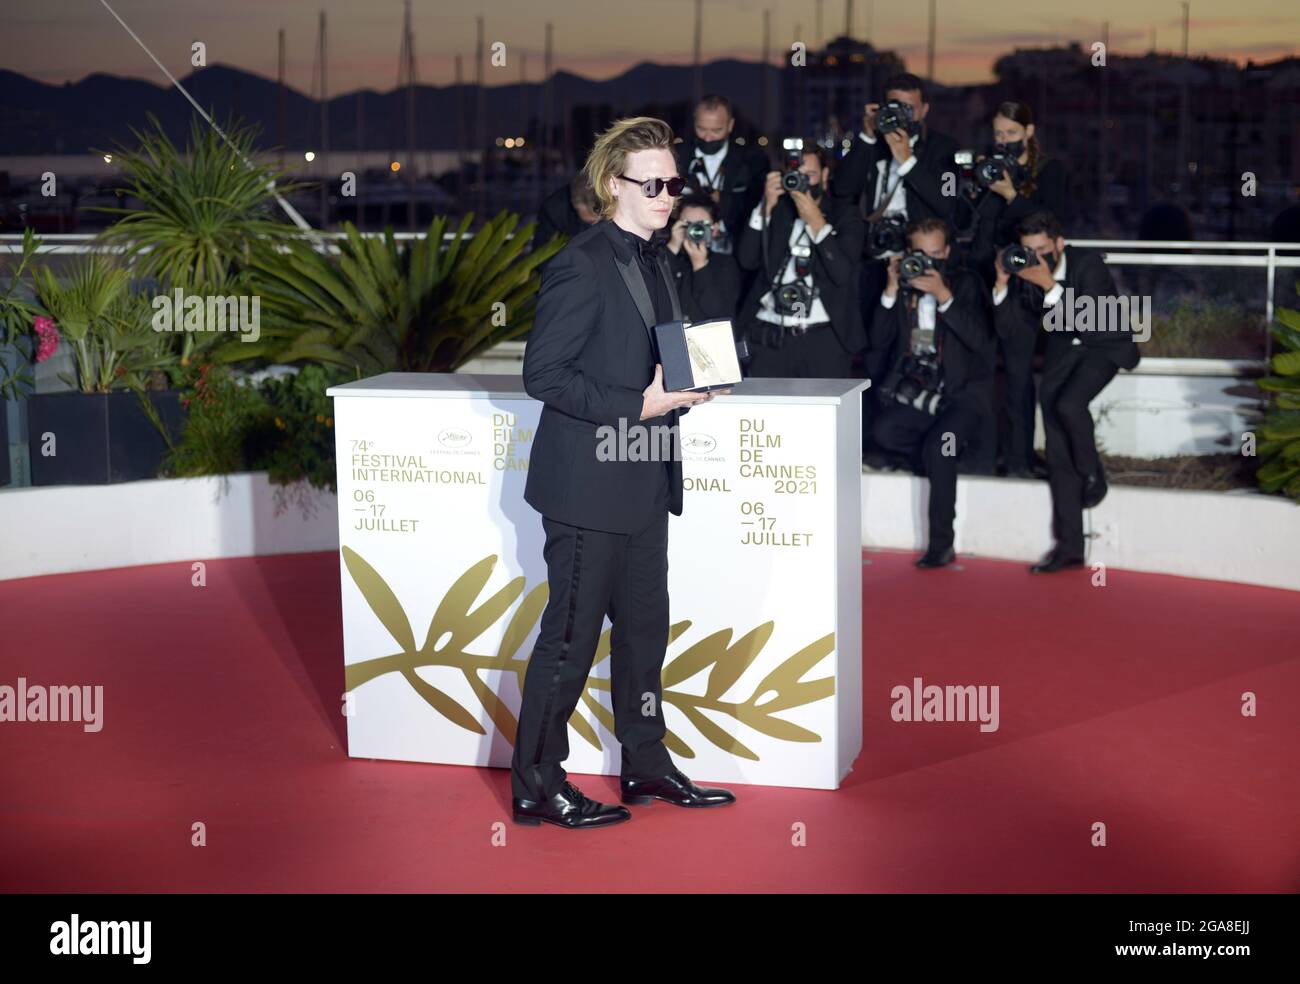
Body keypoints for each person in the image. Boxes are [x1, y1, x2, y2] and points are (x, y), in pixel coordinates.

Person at [515, 116, 736, 830]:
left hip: (644, 480)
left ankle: (646, 764)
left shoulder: (658, 258)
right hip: (586, 489)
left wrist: (688, 387)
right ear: (614, 186)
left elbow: (649, 357)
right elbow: (542, 373)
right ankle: (538, 783)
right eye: (653, 184)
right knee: (571, 640)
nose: (668, 194)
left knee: (645, 636)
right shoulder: (582, 262)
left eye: (673, 182)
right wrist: (636, 404)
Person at [991, 211, 1141, 573]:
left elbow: (1091, 320)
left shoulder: (1088, 264)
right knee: (1056, 444)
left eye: (1042, 249)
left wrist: (1048, 286)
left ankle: (1093, 475)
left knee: (1070, 403)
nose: (1036, 258)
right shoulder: (1022, 269)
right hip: (1064, 350)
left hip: (1103, 344)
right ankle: (1069, 547)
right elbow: (1009, 330)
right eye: (1029, 250)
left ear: (1059, 244)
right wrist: (1000, 284)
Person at [869, 217, 996, 568]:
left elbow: (982, 343)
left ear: (948, 252)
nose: (928, 263)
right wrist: (891, 289)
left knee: (940, 449)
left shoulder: (966, 283)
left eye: (936, 254)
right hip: (921, 395)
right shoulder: (903, 287)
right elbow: (877, 342)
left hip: (964, 395)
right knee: (883, 431)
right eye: (920, 255)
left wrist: (944, 297)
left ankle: (942, 545)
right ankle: (943, 453)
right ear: (908, 253)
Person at [960, 101, 1066, 478]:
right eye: (999, 134)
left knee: (1019, 378)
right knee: (981, 373)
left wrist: (1010, 195)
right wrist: (973, 187)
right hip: (983, 283)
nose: (1004, 141)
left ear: (1030, 132)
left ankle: (1019, 459)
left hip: (1023, 289)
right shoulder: (989, 169)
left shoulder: (1048, 172)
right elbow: (969, 223)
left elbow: (1048, 225)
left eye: (1012, 134)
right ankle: (984, 453)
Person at [735, 141, 865, 377]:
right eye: (796, 175)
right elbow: (746, 260)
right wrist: (765, 207)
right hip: (770, 335)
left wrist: (817, 223)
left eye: (810, 175)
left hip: (822, 339)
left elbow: (842, 273)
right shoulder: (778, 210)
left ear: (825, 175)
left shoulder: (846, 215)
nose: (802, 181)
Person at [674, 93, 768, 255]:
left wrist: (723, 199)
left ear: (730, 125)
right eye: (701, 129)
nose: (708, 138)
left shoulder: (753, 160)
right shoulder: (677, 157)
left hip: (734, 252)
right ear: (694, 122)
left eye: (716, 130)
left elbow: (758, 206)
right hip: (684, 249)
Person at [663, 197, 742, 322]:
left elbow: (719, 313)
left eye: (699, 225)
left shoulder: (725, 264)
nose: (694, 230)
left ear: (715, 229)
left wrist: (700, 266)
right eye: (687, 225)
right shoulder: (667, 257)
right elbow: (652, 288)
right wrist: (672, 246)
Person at [532, 172, 600, 252]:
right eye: (590, 221)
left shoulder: (615, 201)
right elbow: (540, 254)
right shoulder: (554, 210)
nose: (595, 224)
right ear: (575, 205)